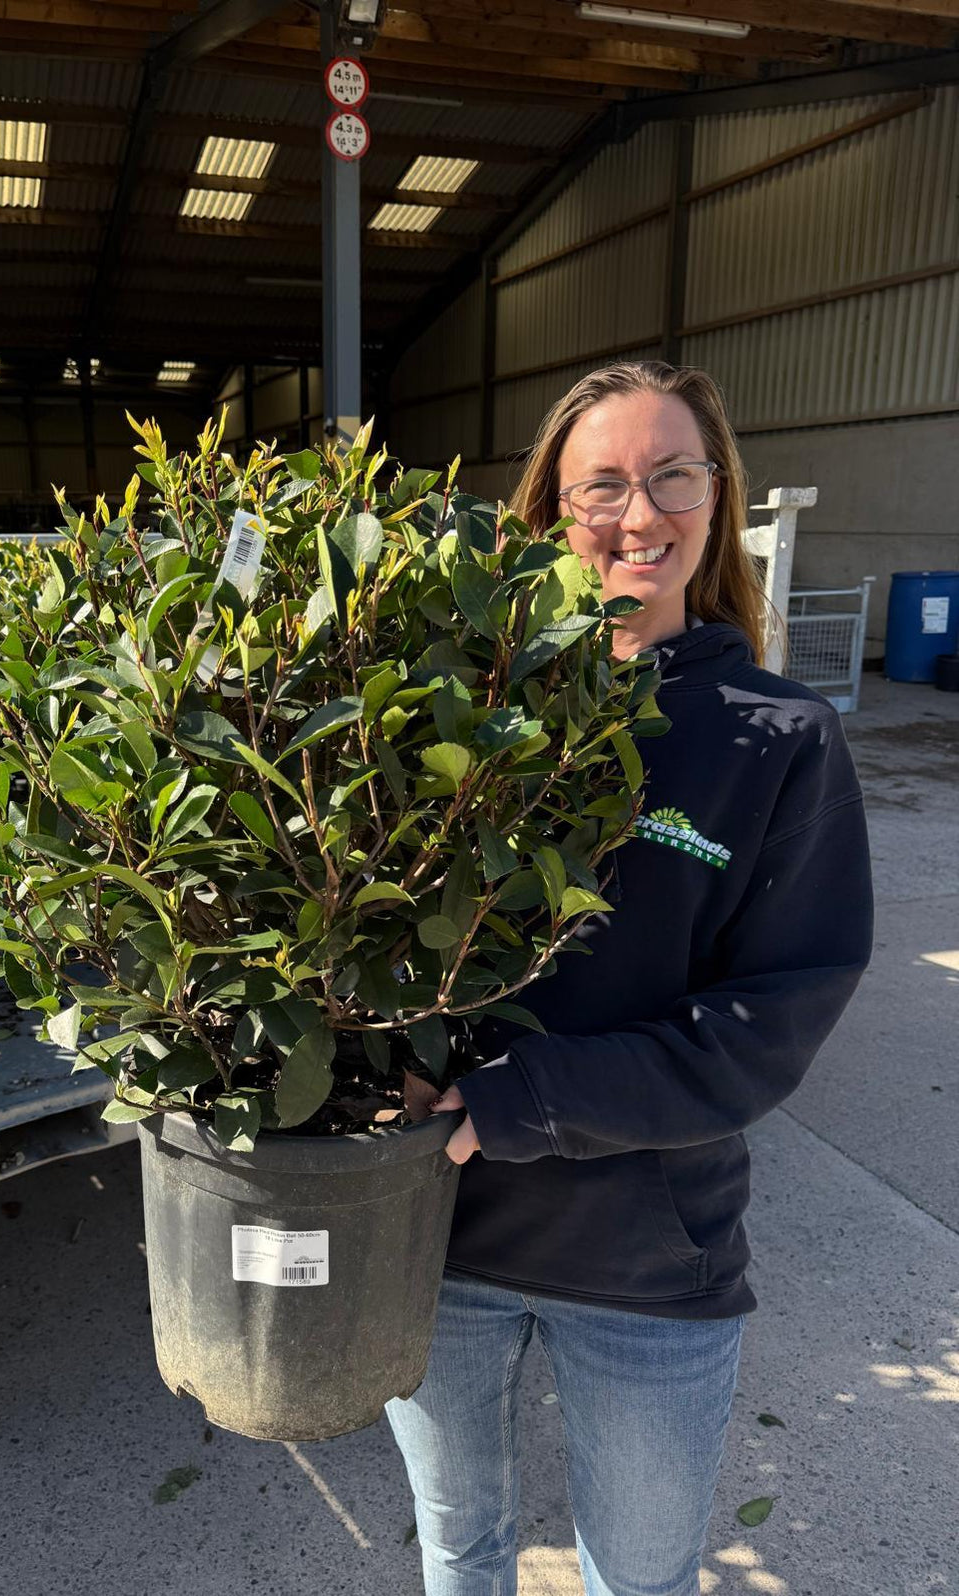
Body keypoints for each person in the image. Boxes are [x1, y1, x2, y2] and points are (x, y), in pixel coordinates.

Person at [385, 360, 874, 1596]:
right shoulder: (453, 712)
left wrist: (518, 1103)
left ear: (717, 502)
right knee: (462, 1551)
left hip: (650, 1271)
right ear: (547, 508)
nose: (639, 514)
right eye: (603, 483)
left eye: (673, 477)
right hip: (438, 1247)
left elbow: (767, 1026)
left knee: (641, 1579)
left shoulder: (776, 739)